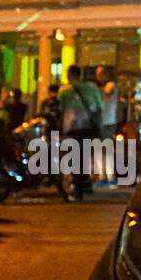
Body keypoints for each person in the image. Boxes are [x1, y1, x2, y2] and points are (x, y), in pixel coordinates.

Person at [58, 64, 104, 200]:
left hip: (72, 127)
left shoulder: (65, 92)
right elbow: (99, 107)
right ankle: (85, 181)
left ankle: (79, 183)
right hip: (88, 127)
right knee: (85, 154)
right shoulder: (91, 89)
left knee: (74, 156)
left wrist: (60, 127)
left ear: (70, 75)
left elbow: (61, 110)